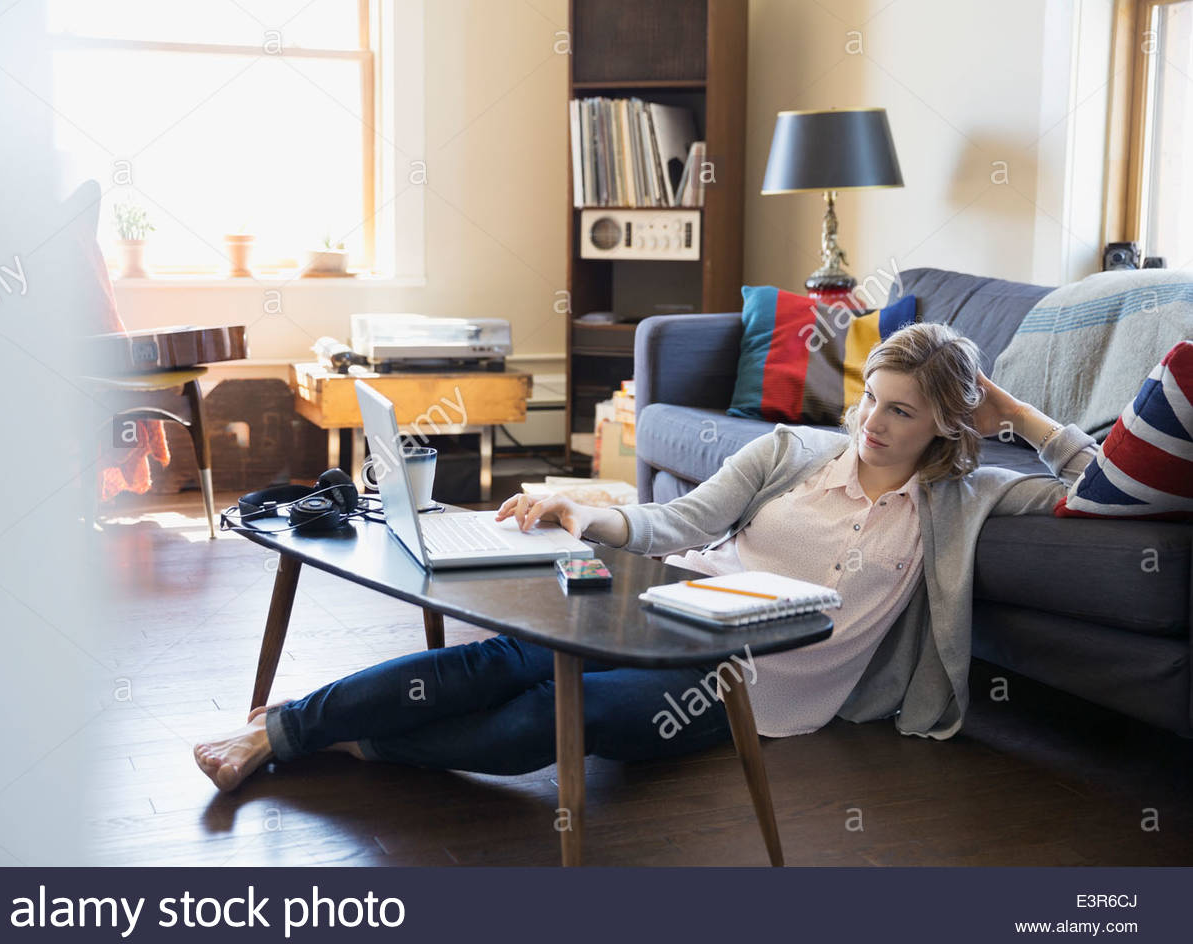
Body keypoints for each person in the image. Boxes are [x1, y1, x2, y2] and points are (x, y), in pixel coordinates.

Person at [194, 323, 1099, 793]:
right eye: (872, 400)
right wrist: (581, 514)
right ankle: (286, 727)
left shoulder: (963, 499)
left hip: (737, 689)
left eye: (901, 411)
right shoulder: (793, 453)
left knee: (550, 721)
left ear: (946, 423)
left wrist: (1018, 414)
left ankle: (351, 735)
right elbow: (674, 523)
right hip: (664, 608)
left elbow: (1099, 486)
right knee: (502, 659)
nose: (874, 423)